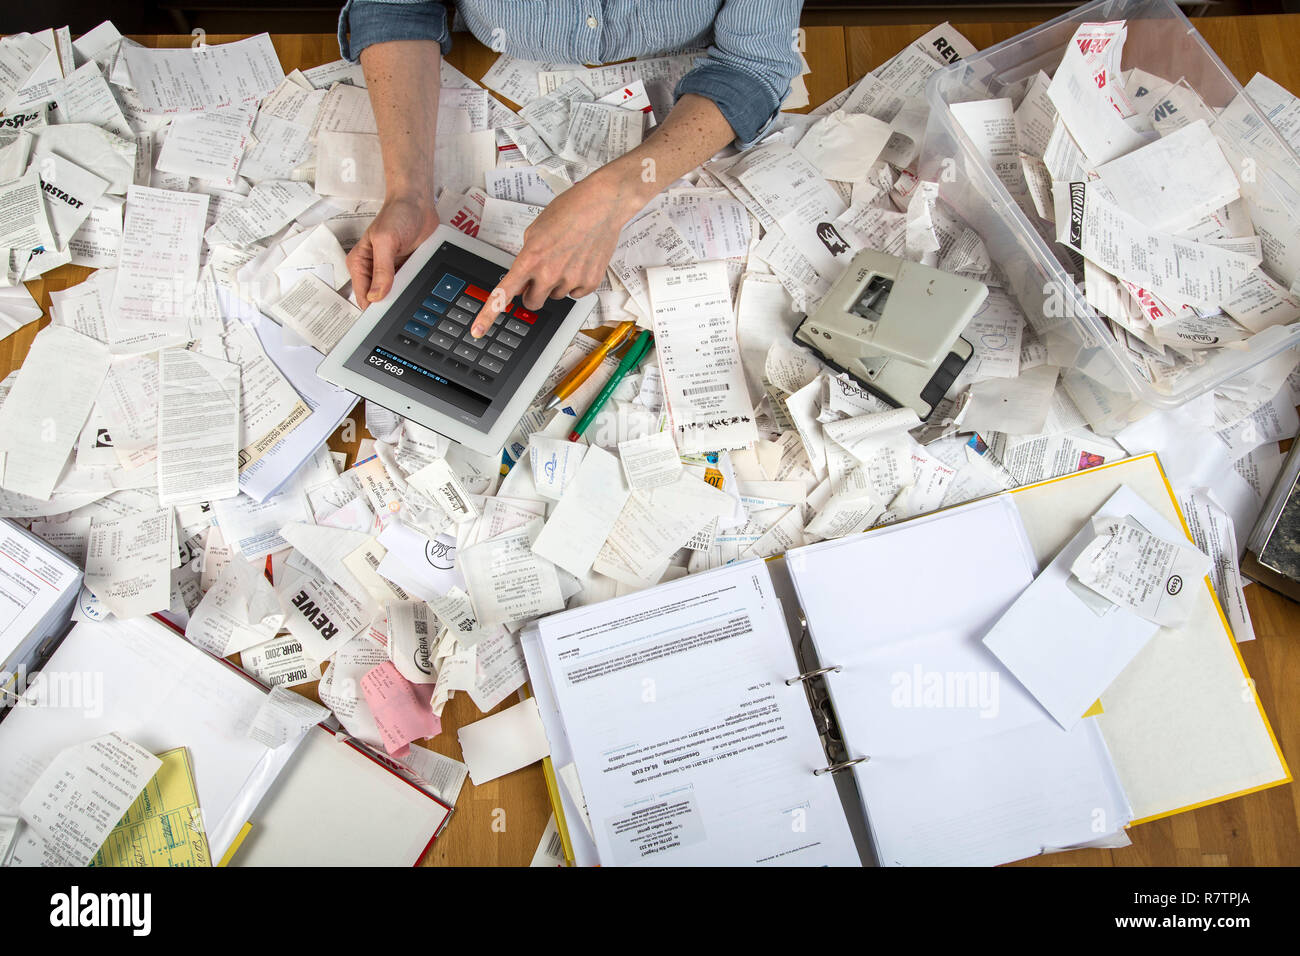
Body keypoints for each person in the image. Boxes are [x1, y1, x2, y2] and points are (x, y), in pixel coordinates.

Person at [337, 0, 803, 335]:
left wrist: (615, 196)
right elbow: (396, 6)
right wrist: (408, 194)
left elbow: (753, 65)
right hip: (488, 74)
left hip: (686, 90)